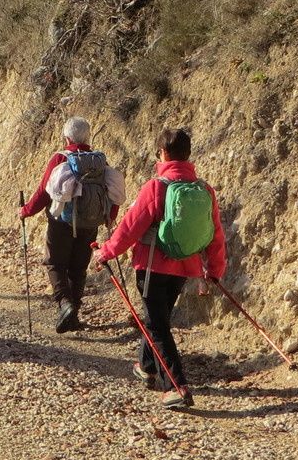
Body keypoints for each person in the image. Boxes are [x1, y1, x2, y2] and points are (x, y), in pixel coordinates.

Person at [92, 125, 227, 409]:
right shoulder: (204, 190)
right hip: (184, 268)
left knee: (157, 325)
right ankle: (147, 367)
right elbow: (216, 234)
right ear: (188, 155)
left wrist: (106, 252)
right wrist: (214, 270)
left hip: (153, 266)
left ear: (163, 154)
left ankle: (177, 385)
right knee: (158, 319)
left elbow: (130, 227)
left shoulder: (157, 187)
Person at [18, 117, 124, 333]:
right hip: (90, 224)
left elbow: (44, 193)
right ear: (88, 137)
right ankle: (73, 315)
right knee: (78, 269)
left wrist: (26, 211)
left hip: (62, 223)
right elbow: (112, 194)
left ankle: (65, 303)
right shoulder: (100, 162)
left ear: (67, 138)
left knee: (55, 263)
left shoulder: (60, 159)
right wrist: (109, 218)